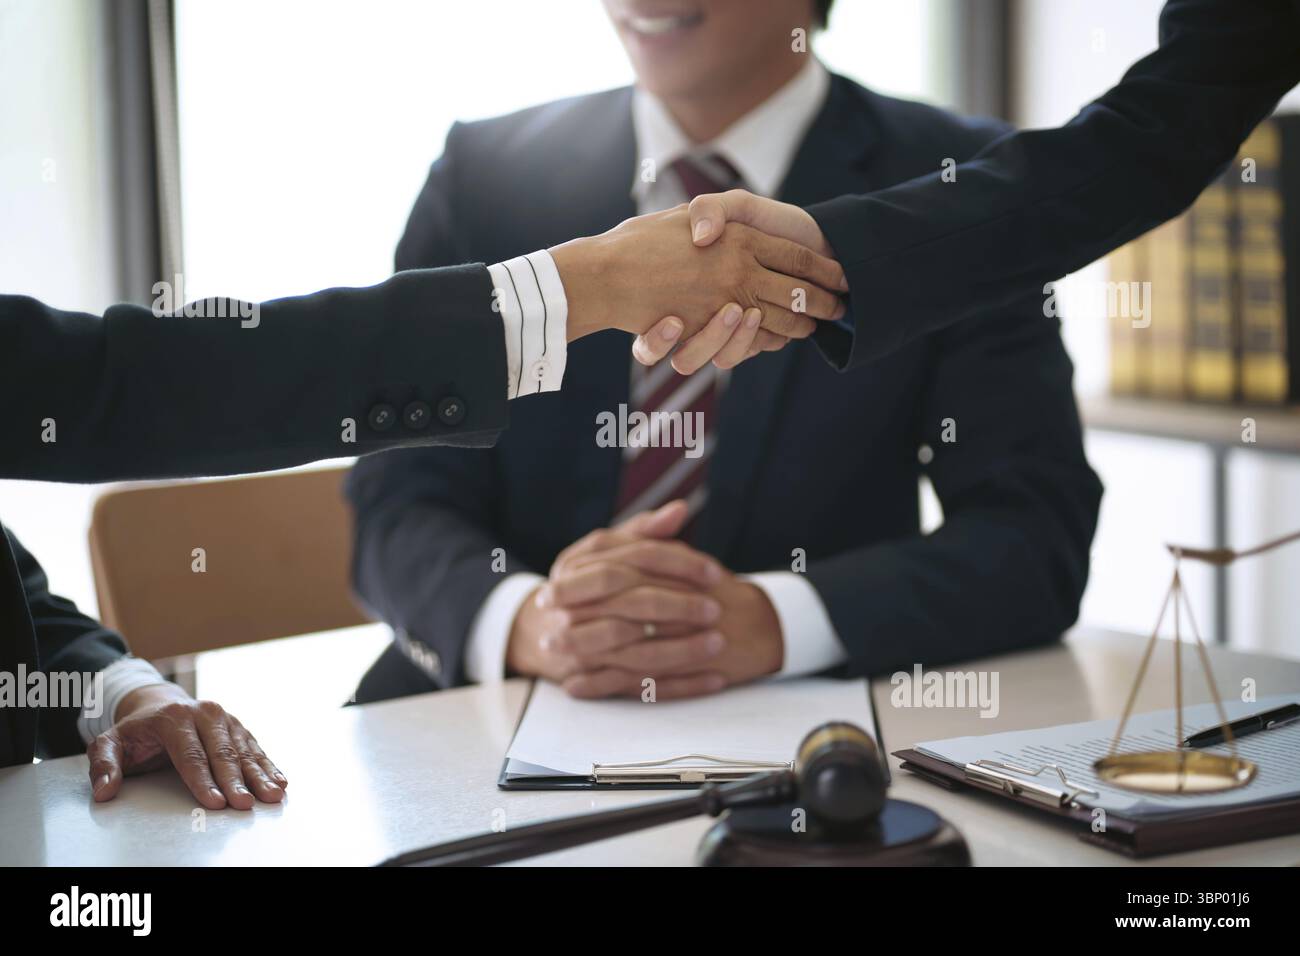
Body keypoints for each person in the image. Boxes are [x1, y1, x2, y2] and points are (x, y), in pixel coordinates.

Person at [344, 0, 1103, 703]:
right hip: (492, 720)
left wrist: (773, 621)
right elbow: (397, 495)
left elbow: (1035, 534)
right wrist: (530, 620)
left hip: (823, 739)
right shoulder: (483, 177)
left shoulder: (957, 184)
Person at [0, 184, 845, 797]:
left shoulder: (911, 178)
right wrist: (584, 287)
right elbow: (134, 384)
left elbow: (17, 594)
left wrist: (117, 688)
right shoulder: (494, 166)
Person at [650, 0, 1300, 369]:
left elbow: (1033, 523)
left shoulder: (939, 149)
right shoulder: (551, 167)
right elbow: (1168, 125)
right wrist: (835, 250)